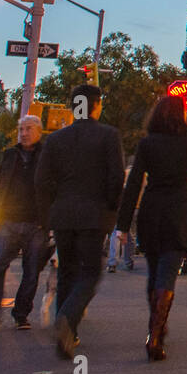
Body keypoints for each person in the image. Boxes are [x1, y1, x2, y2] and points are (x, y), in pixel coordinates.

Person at [116, 95, 187, 361]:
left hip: (152, 212)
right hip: (180, 213)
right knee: (168, 273)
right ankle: (155, 335)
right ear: (182, 116)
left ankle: (156, 325)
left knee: (154, 270)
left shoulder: (147, 144)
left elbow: (134, 184)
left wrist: (122, 225)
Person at [34, 83, 124, 359]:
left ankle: (68, 332)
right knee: (89, 272)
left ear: (74, 107)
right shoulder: (108, 136)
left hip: (62, 214)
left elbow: (41, 181)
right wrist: (110, 209)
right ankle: (67, 319)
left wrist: (48, 213)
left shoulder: (55, 140)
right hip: (93, 215)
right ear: (96, 105)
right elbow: (116, 178)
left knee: (67, 272)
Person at [0, 115, 47, 332]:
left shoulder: (47, 157)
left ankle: (21, 314)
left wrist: (49, 220)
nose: (24, 133)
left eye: (29, 129)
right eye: (21, 129)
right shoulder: (9, 155)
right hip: (7, 221)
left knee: (32, 271)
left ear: (39, 132)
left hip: (36, 223)